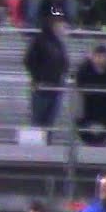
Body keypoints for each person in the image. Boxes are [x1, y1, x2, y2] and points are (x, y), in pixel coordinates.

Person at [24, 8, 70, 136]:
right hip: (42, 88)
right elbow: (29, 61)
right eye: (60, 24)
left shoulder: (59, 43)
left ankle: (47, 149)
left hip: (55, 88)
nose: (63, 27)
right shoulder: (40, 41)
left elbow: (64, 63)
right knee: (38, 123)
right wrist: (39, 77)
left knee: (50, 124)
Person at [75, 45, 106, 146]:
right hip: (89, 107)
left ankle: (102, 143)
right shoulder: (84, 69)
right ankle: (93, 143)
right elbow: (80, 85)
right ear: (92, 57)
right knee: (79, 123)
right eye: (97, 56)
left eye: (103, 56)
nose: (100, 59)